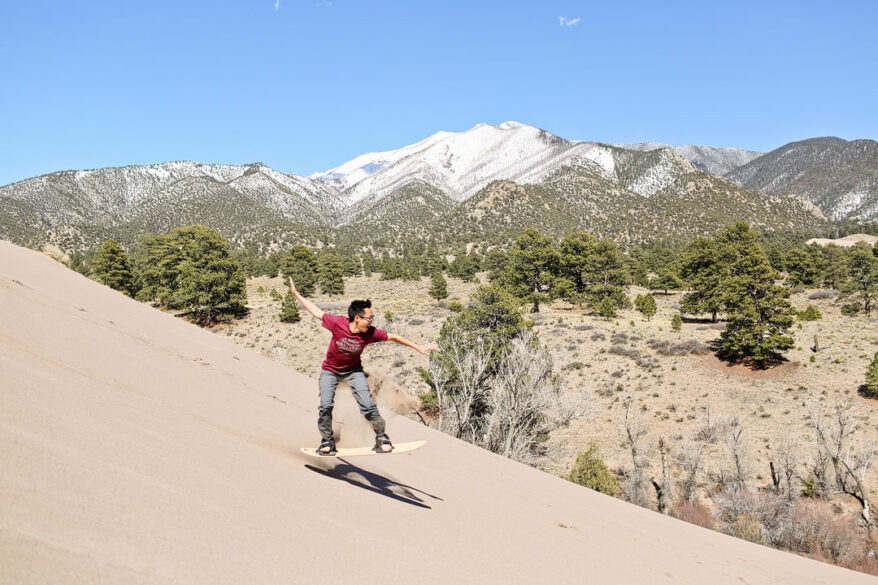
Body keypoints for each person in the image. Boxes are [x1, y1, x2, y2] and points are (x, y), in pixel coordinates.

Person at [288, 276, 438, 455]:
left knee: (367, 406)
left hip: (354, 372)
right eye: (370, 317)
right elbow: (316, 312)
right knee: (326, 406)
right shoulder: (337, 324)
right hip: (330, 371)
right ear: (357, 318)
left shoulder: (371, 333)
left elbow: (394, 337)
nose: (372, 320)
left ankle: (381, 437)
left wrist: (418, 347)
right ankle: (327, 440)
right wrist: (297, 294)